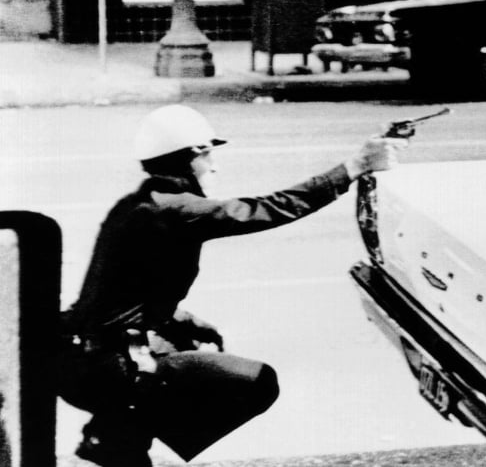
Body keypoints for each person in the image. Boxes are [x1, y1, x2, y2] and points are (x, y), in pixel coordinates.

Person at [57, 104, 407, 467]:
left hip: (88, 357)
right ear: (192, 157)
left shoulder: (138, 206)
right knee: (257, 382)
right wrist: (352, 168)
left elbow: (124, 292)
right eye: (209, 155)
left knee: (189, 344)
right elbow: (269, 208)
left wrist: (184, 319)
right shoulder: (177, 209)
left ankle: (121, 437)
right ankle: (117, 433)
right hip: (107, 366)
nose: (214, 165)